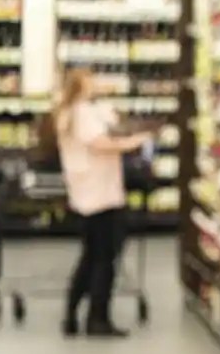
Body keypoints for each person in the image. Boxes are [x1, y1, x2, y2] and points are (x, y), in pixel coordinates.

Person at [53, 69, 151, 338]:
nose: (96, 83)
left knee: (90, 256)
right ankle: (98, 319)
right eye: (91, 80)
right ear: (80, 84)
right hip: (100, 194)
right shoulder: (82, 112)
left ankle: (71, 315)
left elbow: (109, 125)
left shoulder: (70, 112)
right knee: (105, 258)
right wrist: (135, 142)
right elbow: (101, 143)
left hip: (85, 193)